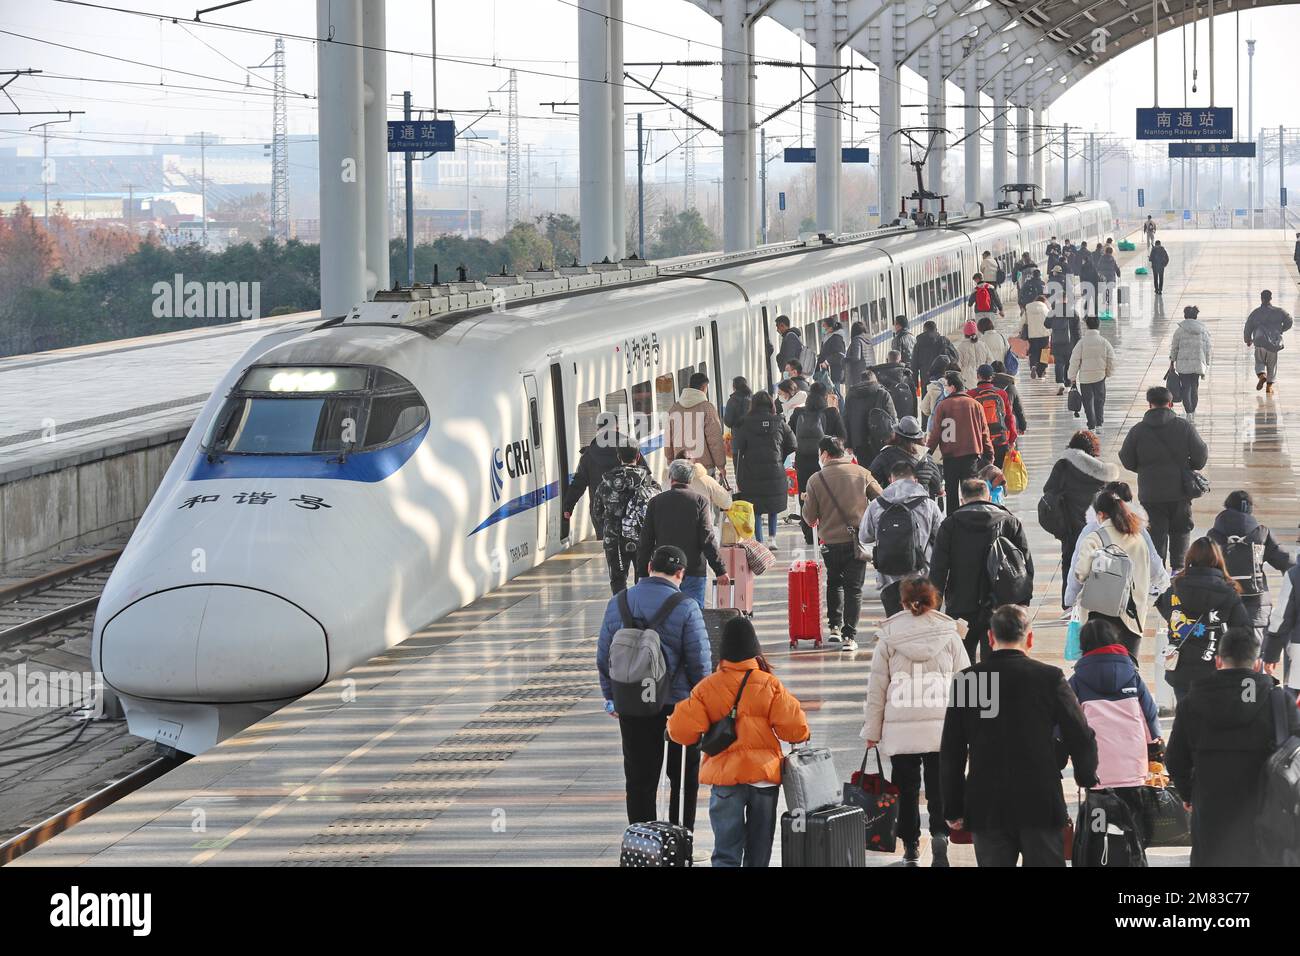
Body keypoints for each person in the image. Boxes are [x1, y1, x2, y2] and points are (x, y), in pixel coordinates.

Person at [940, 604, 1099, 867]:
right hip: (1040, 800)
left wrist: (954, 806)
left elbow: (952, 750)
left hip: (986, 804)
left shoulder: (968, 681)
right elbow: (1080, 734)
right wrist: (1086, 776)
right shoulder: (1049, 678)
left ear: (990, 639)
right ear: (1030, 638)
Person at [667, 616, 809, 867]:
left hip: (725, 780)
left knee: (725, 851)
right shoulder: (769, 684)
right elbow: (795, 730)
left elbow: (681, 732)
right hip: (763, 779)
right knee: (759, 850)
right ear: (754, 649)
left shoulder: (707, 687)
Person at [597, 544, 711, 831]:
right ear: (681, 573)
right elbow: (700, 662)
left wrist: (612, 697)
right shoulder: (686, 606)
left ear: (648, 567)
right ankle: (679, 838)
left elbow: (603, 656)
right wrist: (705, 705)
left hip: (633, 701)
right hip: (677, 706)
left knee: (639, 778)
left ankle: (643, 840)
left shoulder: (618, 602)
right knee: (682, 777)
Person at [1167, 627, 1300, 867]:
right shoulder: (1279, 703)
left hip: (1210, 812)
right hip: (1268, 815)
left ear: (1218, 661)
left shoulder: (1192, 702)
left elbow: (1175, 758)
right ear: (1257, 663)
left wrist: (1188, 793)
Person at [862, 576, 969, 866]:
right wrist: (970, 729)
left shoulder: (890, 635)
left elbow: (877, 688)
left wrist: (872, 730)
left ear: (903, 601)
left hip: (901, 729)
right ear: (934, 599)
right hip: (941, 728)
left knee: (906, 789)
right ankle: (938, 833)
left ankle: (910, 844)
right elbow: (966, 683)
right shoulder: (949, 633)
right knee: (939, 786)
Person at [930, 478, 1032, 662]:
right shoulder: (1009, 522)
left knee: (961, 662)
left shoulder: (950, 525)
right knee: (993, 661)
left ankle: (968, 691)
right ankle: (989, 691)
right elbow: (1024, 565)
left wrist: (933, 608)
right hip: (999, 604)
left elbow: (938, 569)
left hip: (960, 604)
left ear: (962, 499)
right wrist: (1023, 601)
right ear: (989, 498)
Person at [1067, 618, 1162, 815]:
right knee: (1134, 822)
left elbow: (1067, 723)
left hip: (1096, 767)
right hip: (1133, 764)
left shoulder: (1076, 682)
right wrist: (1156, 753)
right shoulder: (1132, 676)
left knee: (1099, 823)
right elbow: (1150, 718)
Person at [801, 436, 881, 651]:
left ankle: (834, 627)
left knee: (834, 582)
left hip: (830, 542)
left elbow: (809, 519)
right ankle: (849, 637)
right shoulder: (862, 473)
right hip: (857, 541)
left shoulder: (815, 480)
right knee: (854, 588)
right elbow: (882, 500)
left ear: (825, 454)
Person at [1118, 385, 1208, 570]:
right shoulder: (1184, 427)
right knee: (1181, 530)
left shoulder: (1138, 430)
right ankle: (1178, 571)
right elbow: (1201, 455)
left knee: (1155, 535)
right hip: (1180, 492)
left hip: (1151, 493)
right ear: (1171, 404)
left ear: (1149, 405)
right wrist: (1189, 467)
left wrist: (1145, 470)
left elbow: (1126, 459)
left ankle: (1157, 577)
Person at [1157, 537, 1251, 705]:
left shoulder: (1174, 589)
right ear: (1218, 560)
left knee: (1187, 723)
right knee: (1214, 725)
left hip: (1181, 673)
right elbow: (1245, 633)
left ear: (1190, 558)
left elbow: (1167, 612)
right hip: (1216, 672)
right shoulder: (1228, 592)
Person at [636, 459, 730, 608]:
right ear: (691, 479)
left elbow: (646, 540)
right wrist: (720, 570)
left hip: (664, 569)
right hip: (693, 568)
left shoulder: (656, 502)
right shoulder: (700, 501)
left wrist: (642, 573)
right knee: (692, 614)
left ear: (671, 478)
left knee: (665, 613)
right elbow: (707, 538)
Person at [1072, 487, 1153, 657]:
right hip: (1133, 615)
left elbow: (1080, 573)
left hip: (1099, 617)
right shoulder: (1138, 538)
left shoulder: (1094, 538)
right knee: (1128, 670)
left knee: (1098, 669)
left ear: (1100, 514)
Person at [1207, 489, 1294, 644]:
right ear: (1249, 509)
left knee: (1223, 651)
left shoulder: (1213, 535)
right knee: (1254, 654)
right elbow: (1286, 561)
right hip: (1257, 602)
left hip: (1223, 600)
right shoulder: (1261, 533)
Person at [861, 461, 946, 617]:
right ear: (915, 479)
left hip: (888, 577)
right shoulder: (928, 504)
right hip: (920, 574)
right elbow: (942, 536)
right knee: (921, 623)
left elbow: (865, 537)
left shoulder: (876, 505)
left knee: (896, 623)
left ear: (891, 479)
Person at [1042, 430, 1117, 604]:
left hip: (1068, 522)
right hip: (1094, 523)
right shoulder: (1100, 469)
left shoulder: (1063, 465)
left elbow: (1049, 489)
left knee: (1069, 561)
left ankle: (1068, 602)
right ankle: (1096, 600)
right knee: (1096, 560)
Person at [591, 445, 663, 593]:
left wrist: (608, 526)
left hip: (614, 539)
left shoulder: (605, 483)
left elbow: (596, 512)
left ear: (618, 457)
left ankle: (621, 612)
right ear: (638, 457)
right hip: (643, 538)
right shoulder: (649, 482)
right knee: (643, 578)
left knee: (618, 580)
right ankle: (641, 611)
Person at [732, 390, 796, 549]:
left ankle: (759, 540)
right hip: (775, 470)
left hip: (752, 472)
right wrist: (780, 456)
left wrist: (739, 476)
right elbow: (793, 443)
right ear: (771, 404)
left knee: (756, 508)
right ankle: (772, 539)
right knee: (773, 506)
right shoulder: (779, 422)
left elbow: (738, 449)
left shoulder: (744, 424)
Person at [925, 373, 994, 515]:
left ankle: (953, 521)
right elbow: (984, 432)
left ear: (953, 387)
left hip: (950, 457)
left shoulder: (943, 406)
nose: (945, 389)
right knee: (971, 493)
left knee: (951, 494)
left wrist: (927, 453)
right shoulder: (975, 405)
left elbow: (936, 433)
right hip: (971, 457)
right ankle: (973, 517)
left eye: (946, 386)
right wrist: (989, 454)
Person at [562, 411, 641, 530]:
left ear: (598, 429)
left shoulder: (588, 455)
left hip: (602, 512)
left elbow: (578, 483)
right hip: (630, 511)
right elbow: (645, 475)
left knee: (607, 545)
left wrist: (568, 507)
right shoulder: (630, 448)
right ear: (617, 427)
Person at [789, 382, 846, 545]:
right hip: (825, 460)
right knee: (827, 494)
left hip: (802, 460)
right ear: (826, 395)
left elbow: (789, 434)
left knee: (805, 495)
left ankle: (808, 533)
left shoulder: (798, 412)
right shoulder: (831, 413)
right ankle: (825, 533)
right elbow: (842, 436)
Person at [665, 371, 727, 480]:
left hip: (680, 467)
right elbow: (715, 440)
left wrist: (670, 460)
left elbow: (668, 439)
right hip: (703, 468)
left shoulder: (674, 409)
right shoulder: (707, 408)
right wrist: (721, 465)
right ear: (704, 387)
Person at [867, 416, 943, 502]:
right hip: (922, 507)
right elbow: (938, 488)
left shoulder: (886, 455)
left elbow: (870, 480)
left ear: (897, 435)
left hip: (894, 506)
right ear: (919, 437)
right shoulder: (927, 457)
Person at [1067, 314, 1116, 432]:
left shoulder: (1081, 343)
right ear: (1098, 326)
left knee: (1087, 401)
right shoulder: (1104, 342)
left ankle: (1091, 425)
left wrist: (1072, 376)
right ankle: (1099, 424)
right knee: (1099, 400)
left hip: (1085, 378)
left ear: (1087, 326)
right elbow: (1111, 359)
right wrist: (1108, 372)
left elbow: (1074, 360)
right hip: (1100, 377)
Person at [842, 369, 897, 466]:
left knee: (864, 472)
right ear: (875, 380)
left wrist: (848, 444)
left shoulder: (851, 395)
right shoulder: (883, 394)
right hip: (880, 440)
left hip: (858, 442)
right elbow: (892, 418)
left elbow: (846, 420)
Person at [1243, 289, 1294, 394]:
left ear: (1261, 299)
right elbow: (1289, 320)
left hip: (1260, 341)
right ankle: (1269, 387)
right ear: (1271, 298)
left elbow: (1248, 326)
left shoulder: (1256, 313)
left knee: (1259, 362)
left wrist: (1247, 339)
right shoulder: (1279, 311)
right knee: (1272, 365)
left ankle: (1262, 376)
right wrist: (1281, 330)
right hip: (1273, 343)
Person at [968, 364, 1017, 469]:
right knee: (997, 473)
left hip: (979, 441)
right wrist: (1012, 439)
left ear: (978, 376)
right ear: (992, 377)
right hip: (1000, 439)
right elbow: (1009, 417)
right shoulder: (1001, 393)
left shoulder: (971, 394)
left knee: (981, 473)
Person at [1169, 305, 1212, 415]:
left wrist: (1172, 362)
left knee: (1186, 386)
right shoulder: (1203, 330)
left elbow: (1174, 347)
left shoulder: (1179, 331)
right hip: (1197, 363)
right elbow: (1207, 347)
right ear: (1196, 316)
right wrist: (1207, 362)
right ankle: (1192, 409)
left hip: (1183, 364)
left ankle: (1188, 409)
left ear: (1185, 315)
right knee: (1194, 386)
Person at [1045, 288, 1080, 397]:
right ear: (1067, 299)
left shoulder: (1053, 311)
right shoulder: (1073, 312)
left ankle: (1060, 383)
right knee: (1069, 363)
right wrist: (1078, 344)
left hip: (1056, 341)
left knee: (1059, 362)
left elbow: (1046, 324)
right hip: (1070, 343)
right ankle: (1068, 385)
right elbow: (1077, 330)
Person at [872, 351, 920, 420]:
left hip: (886, 416)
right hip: (905, 415)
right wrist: (914, 416)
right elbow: (914, 396)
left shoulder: (877, 374)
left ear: (887, 360)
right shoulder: (906, 373)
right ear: (900, 361)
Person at [918, 358, 957, 430]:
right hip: (953, 428)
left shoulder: (933, 386)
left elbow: (924, 408)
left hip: (936, 427)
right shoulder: (955, 385)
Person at [990, 360, 1027, 436]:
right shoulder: (1010, 386)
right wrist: (1022, 426)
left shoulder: (987, 386)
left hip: (990, 423)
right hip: (1008, 424)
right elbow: (1018, 408)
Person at [956, 320, 996, 387]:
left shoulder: (961, 347)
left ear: (964, 333)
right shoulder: (983, 345)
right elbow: (991, 362)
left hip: (967, 382)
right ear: (976, 332)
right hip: (983, 380)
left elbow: (958, 367)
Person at [1023, 292, 1051, 379]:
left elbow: (1023, 321)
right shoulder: (1046, 309)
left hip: (1032, 334)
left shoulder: (1028, 308)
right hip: (1044, 334)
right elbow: (1050, 322)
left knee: (1033, 352)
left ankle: (1033, 366)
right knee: (1044, 352)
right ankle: (1042, 371)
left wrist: (1019, 332)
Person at [817, 316, 848, 389]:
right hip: (827, 372)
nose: (823, 327)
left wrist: (827, 362)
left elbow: (840, 354)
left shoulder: (837, 338)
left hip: (834, 372)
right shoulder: (827, 336)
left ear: (830, 327)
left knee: (835, 395)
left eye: (824, 325)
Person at [845, 320, 876, 388]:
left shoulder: (857, 340)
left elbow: (857, 357)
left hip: (860, 371)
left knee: (860, 389)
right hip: (870, 369)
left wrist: (846, 359)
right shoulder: (868, 339)